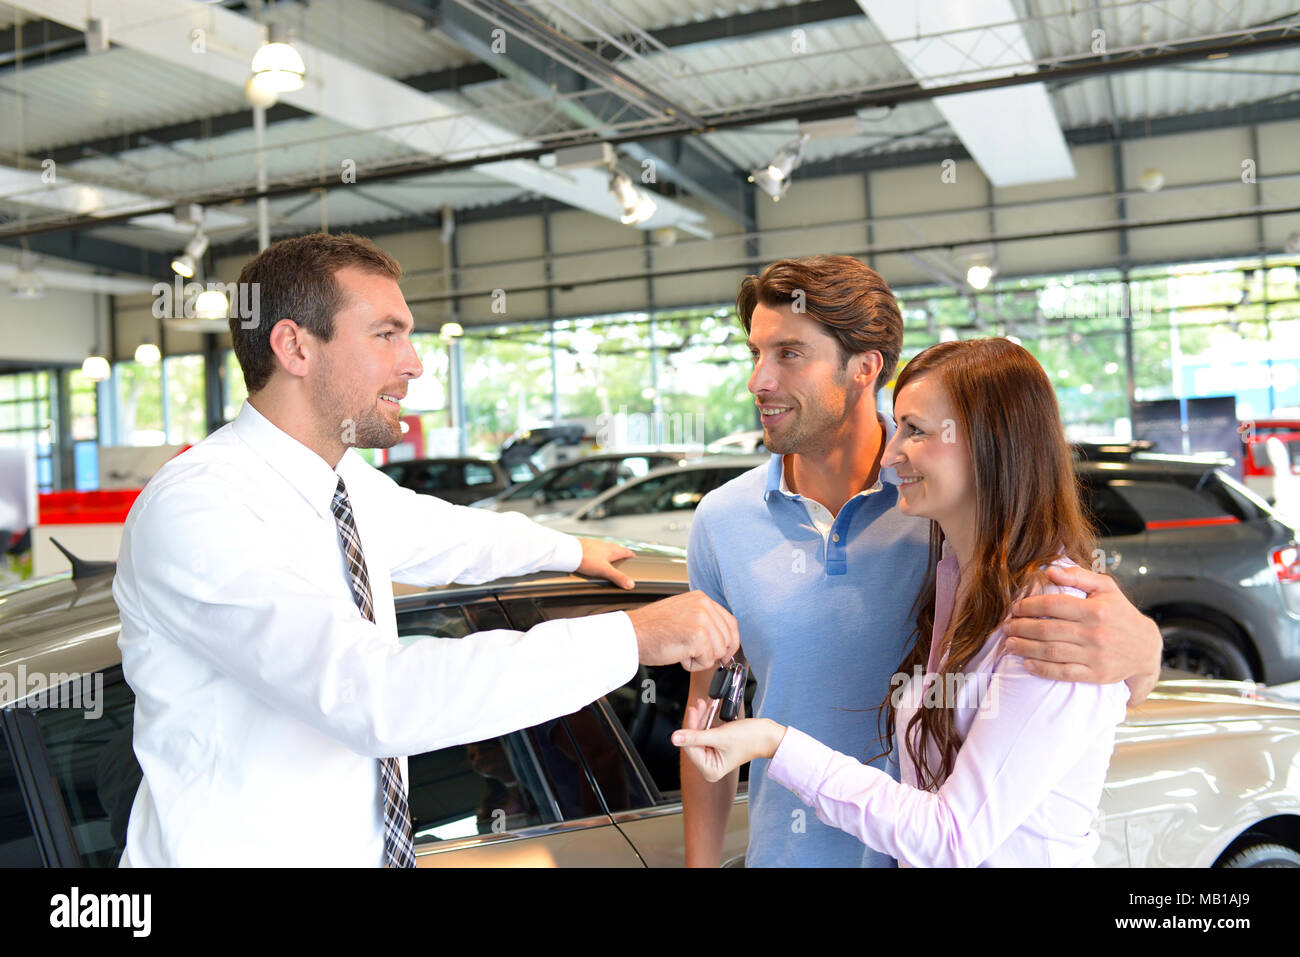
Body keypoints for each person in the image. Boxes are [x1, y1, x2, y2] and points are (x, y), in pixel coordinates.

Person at [113, 233, 738, 866]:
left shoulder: (339, 482)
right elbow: (376, 696)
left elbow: (449, 536)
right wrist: (630, 638)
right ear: (294, 346)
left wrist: (571, 550)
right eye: (386, 334)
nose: (413, 363)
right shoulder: (203, 507)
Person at [680, 255, 1163, 868]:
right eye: (755, 353)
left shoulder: (938, 513)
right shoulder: (723, 522)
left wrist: (1146, 652)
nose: (758, 381)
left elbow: (1069, 684)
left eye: (789, 354)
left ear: (864, 368)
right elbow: (711, 711)